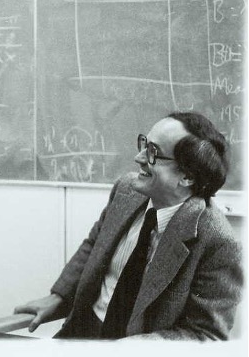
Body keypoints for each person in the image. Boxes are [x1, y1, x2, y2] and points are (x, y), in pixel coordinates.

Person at [15, 111, 243, 340]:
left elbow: (206, 334)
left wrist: (129, 350)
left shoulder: (218, 243)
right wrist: (59, 296)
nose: (139, 158)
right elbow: (94, 245)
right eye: (145, 144)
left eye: (154, 152)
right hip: (82, 333)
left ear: (187, 177)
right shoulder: (126, 190)